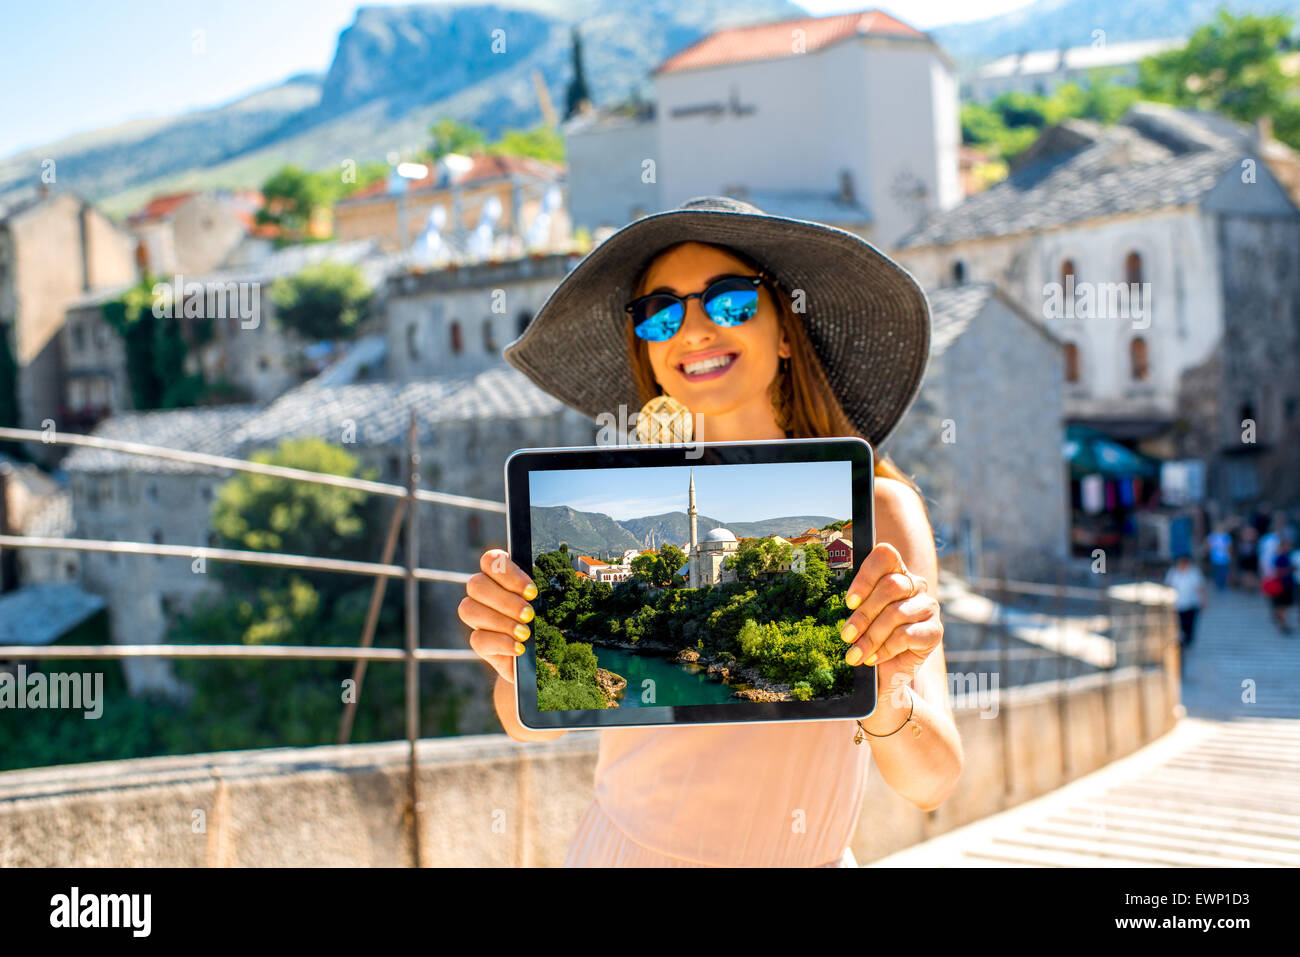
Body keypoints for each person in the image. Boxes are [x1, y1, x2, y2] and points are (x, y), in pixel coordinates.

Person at [458, 196, 963, 867]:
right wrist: (515, 660)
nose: (692, 330)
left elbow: (931, 780)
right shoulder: (626, 509)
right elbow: (530, 726)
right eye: (662, 313)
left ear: (787, 330)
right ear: (650, 350)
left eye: (729, 301)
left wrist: (890, 690)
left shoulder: (880, 512)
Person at [1163, 554, 1207, 652]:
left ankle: (1188, 643)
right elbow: (1168, 585)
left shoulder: (1194, 572)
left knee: (1189, 625)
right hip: (1177, 604)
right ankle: (1181, 643)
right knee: (1179, 625)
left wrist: (1203, 600)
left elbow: (1200, 586)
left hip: (1191, 604)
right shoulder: (1173, 572)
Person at [1263, 533, 1295, 635]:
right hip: (1281, 585)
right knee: (1281, 606)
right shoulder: (1279, 557)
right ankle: (1282, 624)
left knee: (1284, 606)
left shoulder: (1285, 556)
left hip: (1286, 584)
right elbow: (1279, 571)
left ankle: (1282, 623)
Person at [1205, 524, 1233, 591]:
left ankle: (1222, 586)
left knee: (1223, 572)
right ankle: (1217, 585)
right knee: (1216, 572)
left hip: (1224, 557)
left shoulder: (1226, 536)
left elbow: (1229, 547)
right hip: (1215, 558)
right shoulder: (1212, 536)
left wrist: (1229, 555)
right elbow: (1208, 546)